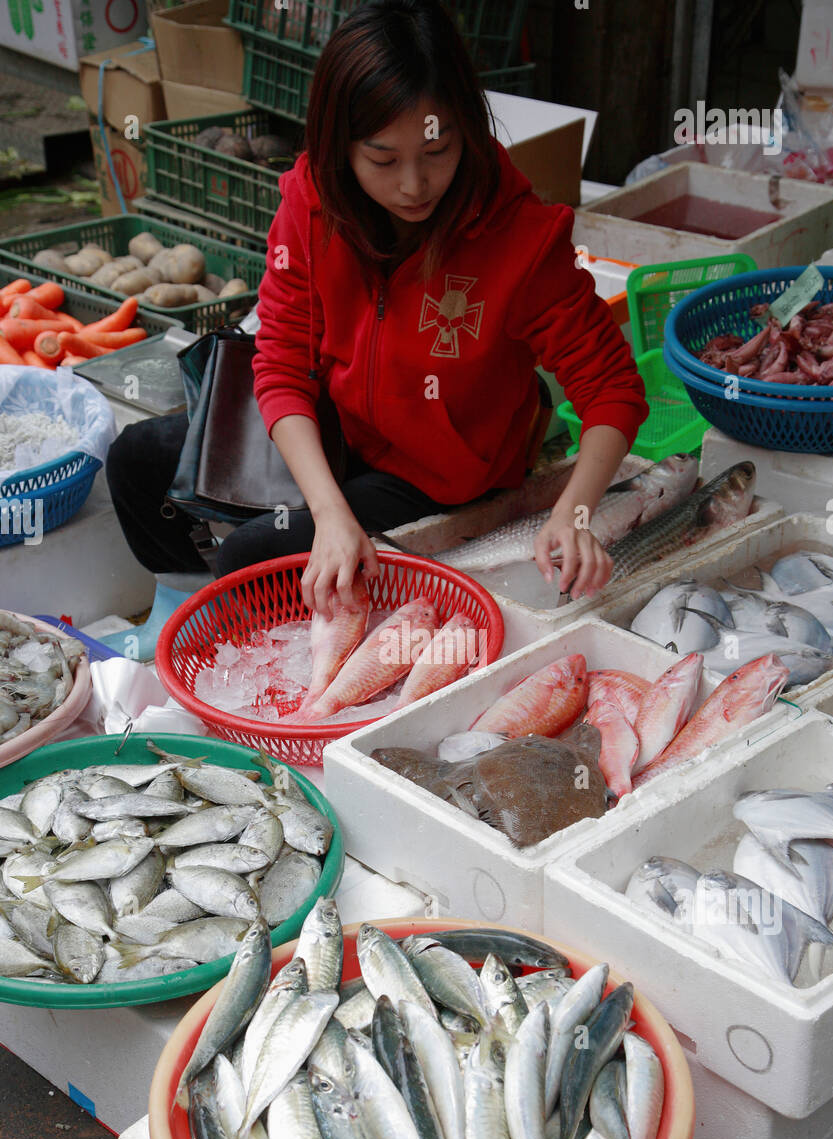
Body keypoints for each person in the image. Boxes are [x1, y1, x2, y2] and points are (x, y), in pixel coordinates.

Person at [104, 0, 646, 656]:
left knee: (252, 560)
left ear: (466, 131)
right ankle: (176, 605)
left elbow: (612, 387)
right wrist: (330, 512)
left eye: (437, 151)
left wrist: (576, 510)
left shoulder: (520, 239)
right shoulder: (312, 199)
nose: (415, 184)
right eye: (382, 159)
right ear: (340, 146)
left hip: (439, 473)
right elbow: (278, 361)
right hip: (340, 424)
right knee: (137, 461)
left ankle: (233, 640)